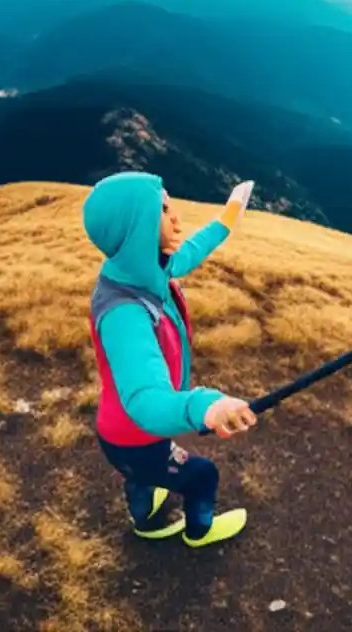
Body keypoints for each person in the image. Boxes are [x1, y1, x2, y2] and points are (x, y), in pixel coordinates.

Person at [82, 171, 258, 548]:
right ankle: (199, 532)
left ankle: (143, 515)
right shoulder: (123, 313)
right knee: (202, 475)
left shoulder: (139, 271)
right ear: (137, 229)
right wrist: (206, 406)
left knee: (143, 475)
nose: (175, 216)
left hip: (127, 435)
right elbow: (145, 400)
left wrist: (227, 219)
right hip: (135, 435)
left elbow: (186, 254)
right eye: (161, 209)